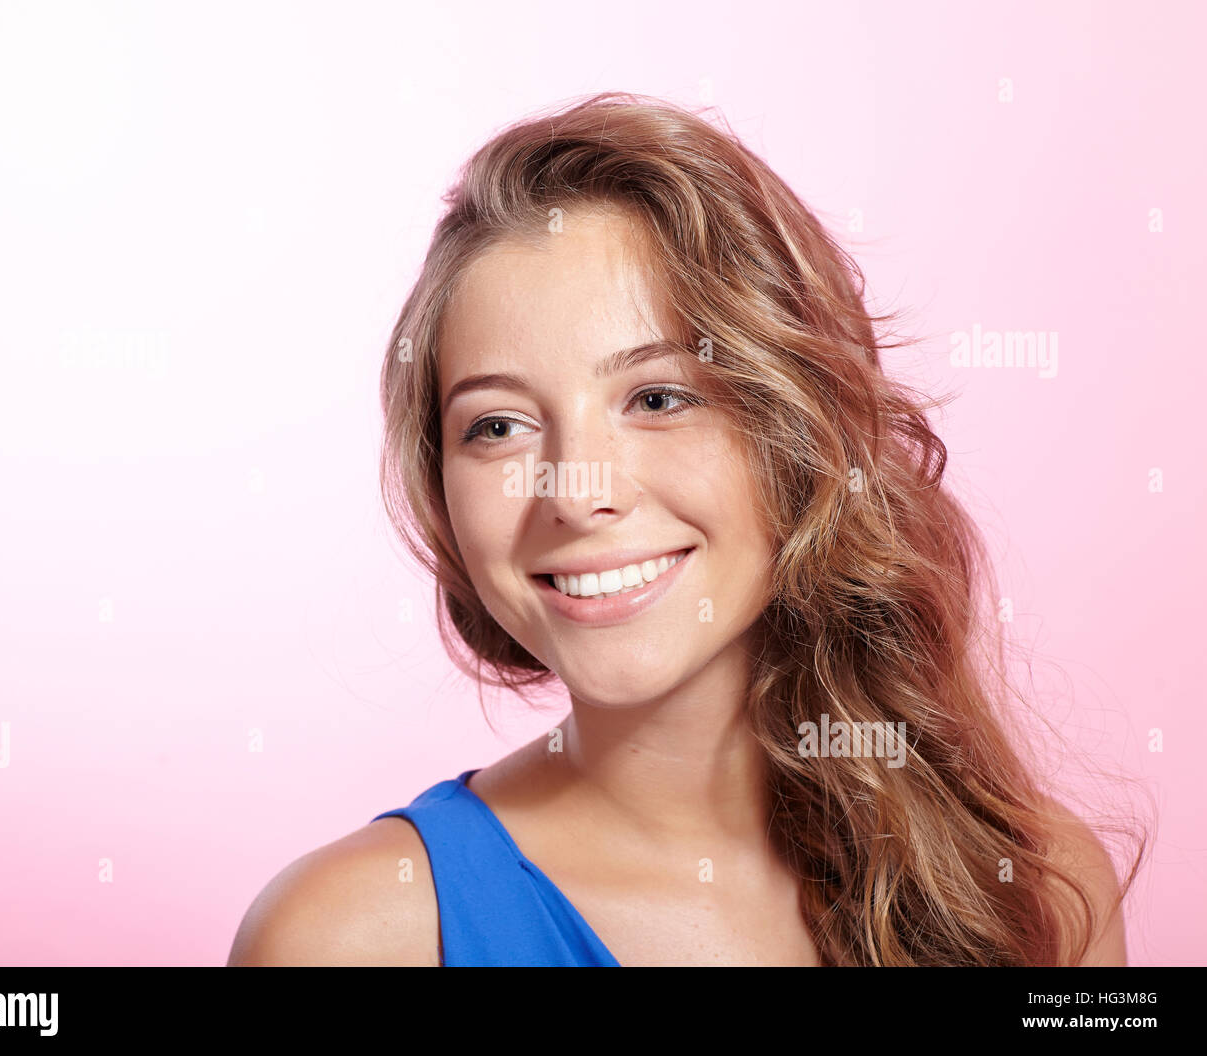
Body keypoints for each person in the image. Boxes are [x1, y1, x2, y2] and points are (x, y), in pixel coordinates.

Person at [228, 91, 1142, 966]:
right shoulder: (349, 938)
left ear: (797, 436)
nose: (578, 495)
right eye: (497, 425)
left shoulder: (1036, 887)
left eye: (658, 397)